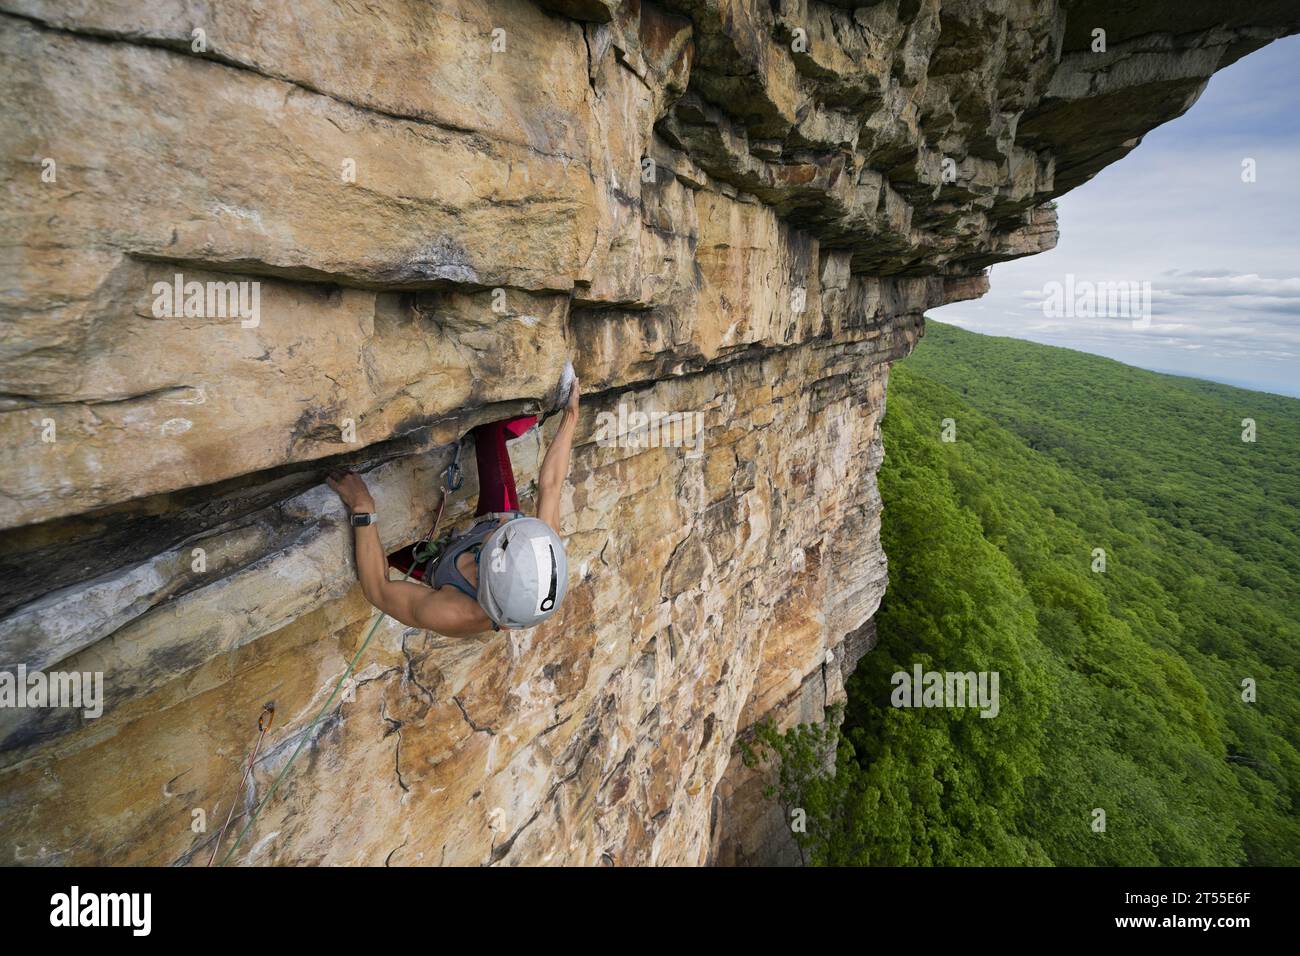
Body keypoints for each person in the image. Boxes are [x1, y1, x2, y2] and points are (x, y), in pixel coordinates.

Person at [327, 373, 579, 636]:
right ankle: (515, 425)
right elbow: (551, 485)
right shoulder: (539, 548)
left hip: (438, 565)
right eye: (507, 531)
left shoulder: (452, 612)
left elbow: (377, 589)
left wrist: (363, 508)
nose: (503, 525)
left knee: (380, 548)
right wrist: (571, 416)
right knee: (490, 432)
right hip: (481, 529)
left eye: (500, 534)